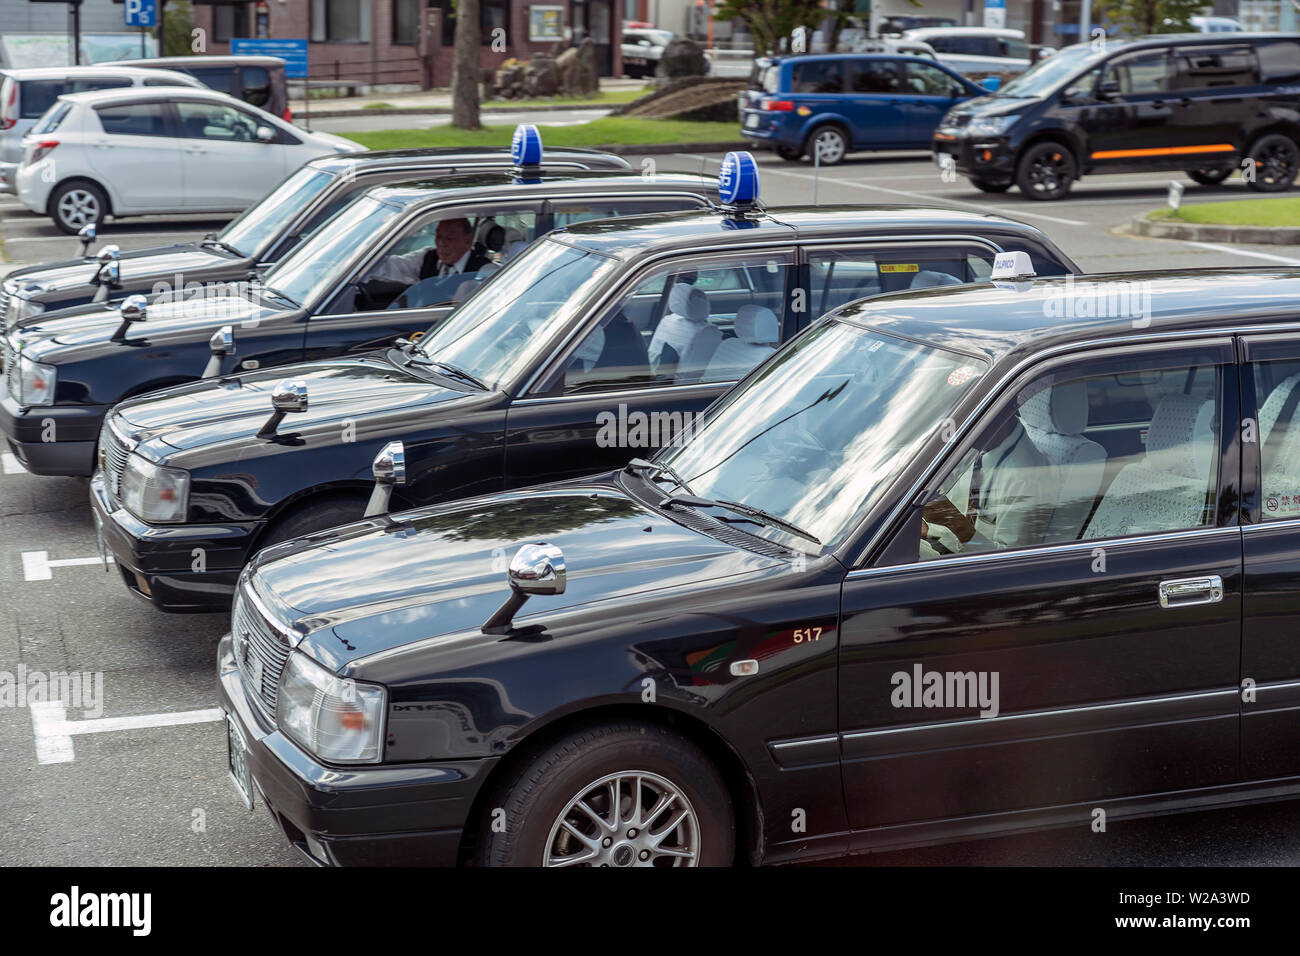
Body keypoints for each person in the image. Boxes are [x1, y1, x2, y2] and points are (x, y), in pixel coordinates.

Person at [371, 217, 492, 285]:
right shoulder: (427, 257)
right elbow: (390, 266)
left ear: (467, 240)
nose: (441, 243)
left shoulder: (485, 270)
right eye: (438, 236)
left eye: (450, 238)